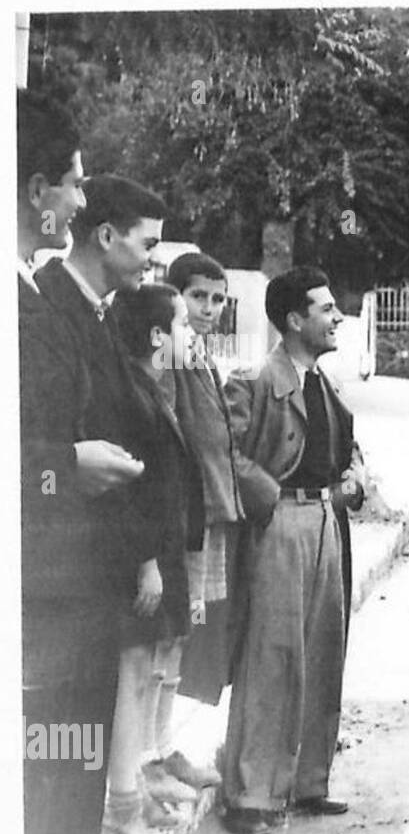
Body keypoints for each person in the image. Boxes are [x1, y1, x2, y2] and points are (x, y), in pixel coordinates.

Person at [17, 91, 139, 834]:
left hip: (75, 547)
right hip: (40, 550)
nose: (81, 200)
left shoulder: (34, 289)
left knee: (75, 705)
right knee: (43, 716)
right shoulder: (34, 295)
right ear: (35, 191)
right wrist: (68, 460)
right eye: (73, 183)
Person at [219, 267, 366, 834]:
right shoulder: (255, 379)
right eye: (326, 309)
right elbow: (224, 453)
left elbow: (346, 447)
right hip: (281, 522)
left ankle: (308, 781)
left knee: (324, 650)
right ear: (293, 320)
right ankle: (252, 794)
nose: (337, 318)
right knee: (272, 656)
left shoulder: (326, 384)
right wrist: (269, 496)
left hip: (327, 520)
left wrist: (354, 476)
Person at [101, 283, 206, 834]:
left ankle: (133, 789)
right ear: (156, 336)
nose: (191, 337)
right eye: (183, 326)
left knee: (145, 672)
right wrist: (147, 564)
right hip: (141, 557)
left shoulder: (150, 384)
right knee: (133, 673)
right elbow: (132, 490)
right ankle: (121, 808)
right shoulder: (130, 393)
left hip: (160, 555)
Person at [162, 253, 241, 781]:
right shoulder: (171, 349)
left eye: (217, 299)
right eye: (198, 297)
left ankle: (164, 746)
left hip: (211, 508)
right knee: (170, 633)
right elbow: (167, 427)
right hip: (187, 508)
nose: (209, 308)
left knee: (188, 633)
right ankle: (155, 753)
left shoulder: (202, 352)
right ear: (176, 297)